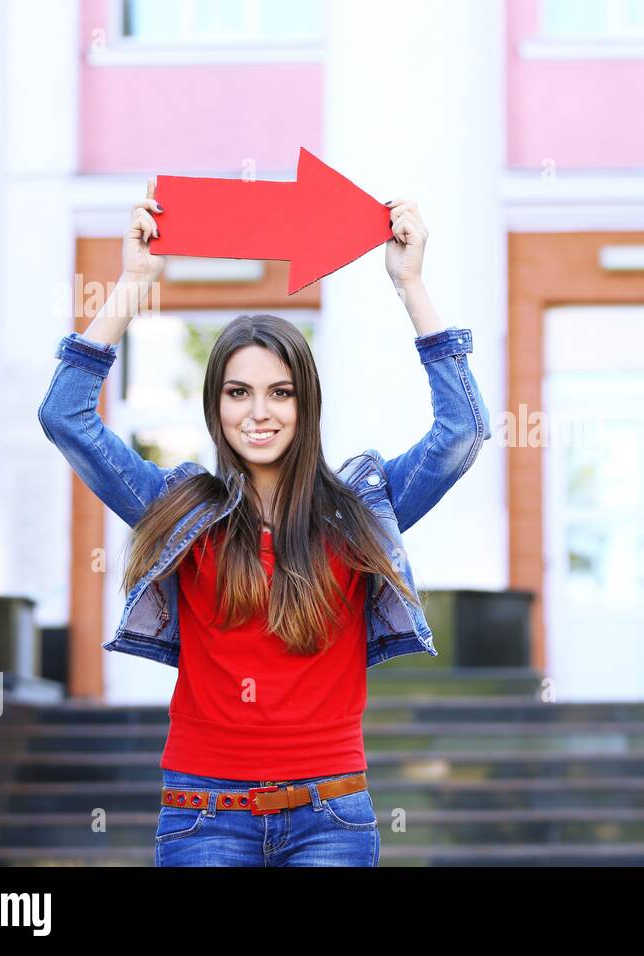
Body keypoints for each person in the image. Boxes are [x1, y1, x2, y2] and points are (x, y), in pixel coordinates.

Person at [37, 178, 491, 866]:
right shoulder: (179, 507)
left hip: (331, 815)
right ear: (215, 406)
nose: (259, 412)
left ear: (304, 403)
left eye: (280, 392)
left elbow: (463, 430)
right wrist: (131, 286)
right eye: (238, 392)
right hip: (203, 815)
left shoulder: (363, 511)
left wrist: (411, 285)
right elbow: (64, 414)